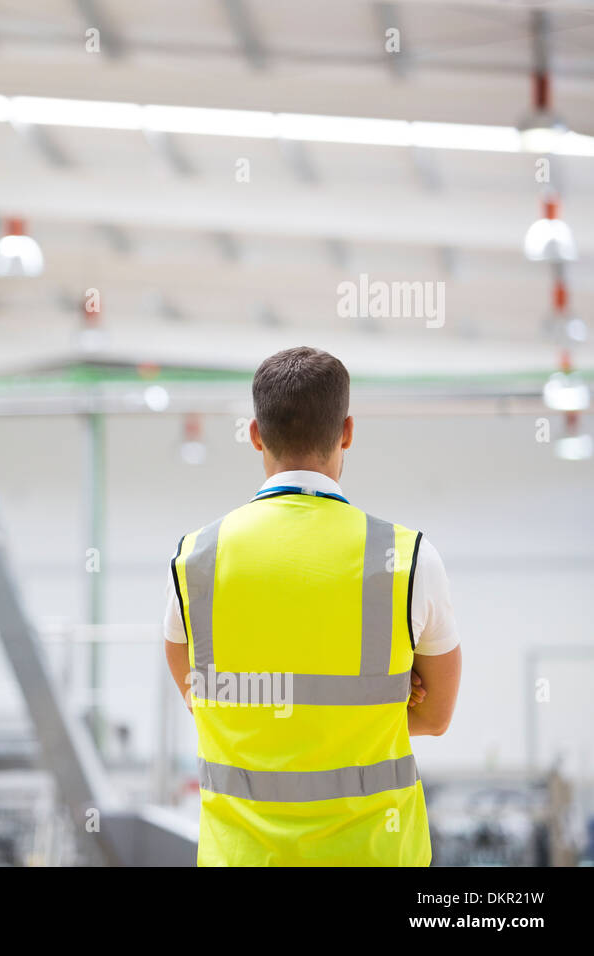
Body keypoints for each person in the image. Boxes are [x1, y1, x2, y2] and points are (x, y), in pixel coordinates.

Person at [163, 346, 462, 866]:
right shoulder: (408, 557)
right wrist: (380, 707)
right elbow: (435, 717)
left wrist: (267, 711)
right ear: (346, 432)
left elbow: (206, 702)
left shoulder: (197, 560)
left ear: (256, 434)